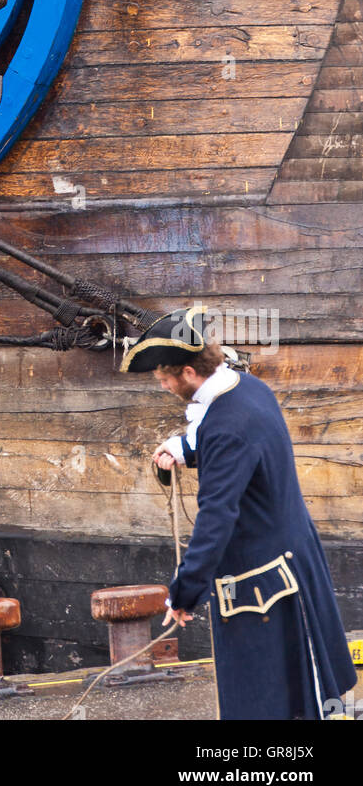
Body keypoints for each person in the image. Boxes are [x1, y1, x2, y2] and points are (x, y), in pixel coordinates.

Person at [120, 306, 356, 721]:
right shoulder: (247, 388)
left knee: (268, 703)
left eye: (164, 379)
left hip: (264, 578)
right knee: (296, 694)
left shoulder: (227, 426)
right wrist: (184, 448)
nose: (163, 386)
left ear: (189, 373)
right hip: (290, 552)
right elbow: (229, 440)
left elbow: (217, 516)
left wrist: (186, 589)